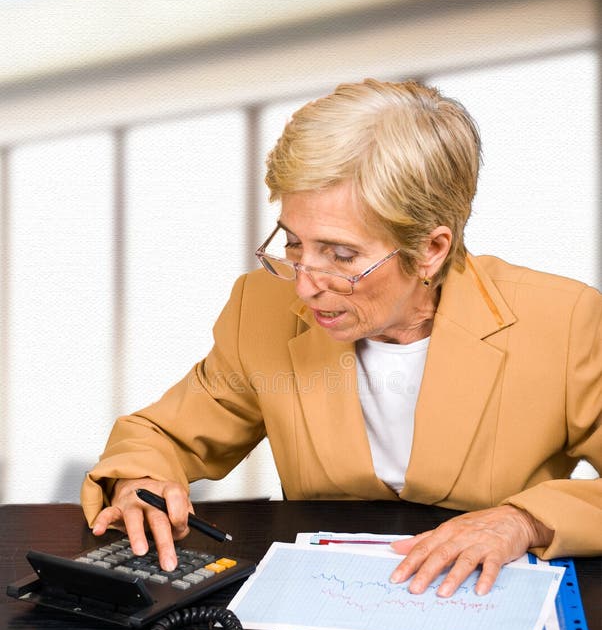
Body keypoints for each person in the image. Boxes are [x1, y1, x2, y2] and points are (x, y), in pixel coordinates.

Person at [81, 78, 602, 598]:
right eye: (292, 243)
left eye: (341, 256)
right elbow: (163, 435)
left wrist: (523, 521)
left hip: (492, 598)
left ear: (430, 249)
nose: (304, 285)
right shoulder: (261, 307)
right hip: (324, 599)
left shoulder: (564, 320)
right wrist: (137, 483)